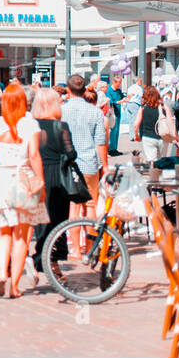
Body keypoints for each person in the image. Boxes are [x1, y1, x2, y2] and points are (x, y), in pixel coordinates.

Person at [0, 82, 46, 298]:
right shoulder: (30, 124)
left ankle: (1, 274)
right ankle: (15, 286)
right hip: (23, 180)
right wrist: (41, 181)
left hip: (0, 180)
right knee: (21, 236)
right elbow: (34, 155)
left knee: (4, 233)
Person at [31, 89, 77, 275]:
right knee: (58, 220)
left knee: (39, 219)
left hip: (37, 173)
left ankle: (39, 256)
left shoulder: (32, 125)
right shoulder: (61, 126)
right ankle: (52, 260)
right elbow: (71, 153)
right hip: (57, 176)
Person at [61, 74, 107, 257]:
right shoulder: (95, 112)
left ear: (69, 90)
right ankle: (90, 248)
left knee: (73, 206)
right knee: (91, 205)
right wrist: (105, 165)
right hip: (89, 163)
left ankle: (74, 249)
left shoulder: (61, 110)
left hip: (69, 164)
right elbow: (100, 142)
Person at [133, 85, 167, 163]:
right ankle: (161, 174)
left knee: (152, 162)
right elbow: (170, 122)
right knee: (162, 161)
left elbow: (136, 124)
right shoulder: (163, 107)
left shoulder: (143, 108)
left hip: (148, 137)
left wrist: (136, 135)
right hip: (162, 137)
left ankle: (154, 174)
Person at [105, 75, 125, 156]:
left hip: (118, 112)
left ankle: (114, 148)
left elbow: (122, 97)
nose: (119, 85)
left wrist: (127, 97)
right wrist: (119, 102)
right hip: (112, 113)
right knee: (112, 131)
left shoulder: (118, 90)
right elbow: (110, 102)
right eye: (117, 84)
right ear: (114, 82)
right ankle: (110, 149)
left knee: (116, 132)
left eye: (120, 84)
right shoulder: (109, 91)